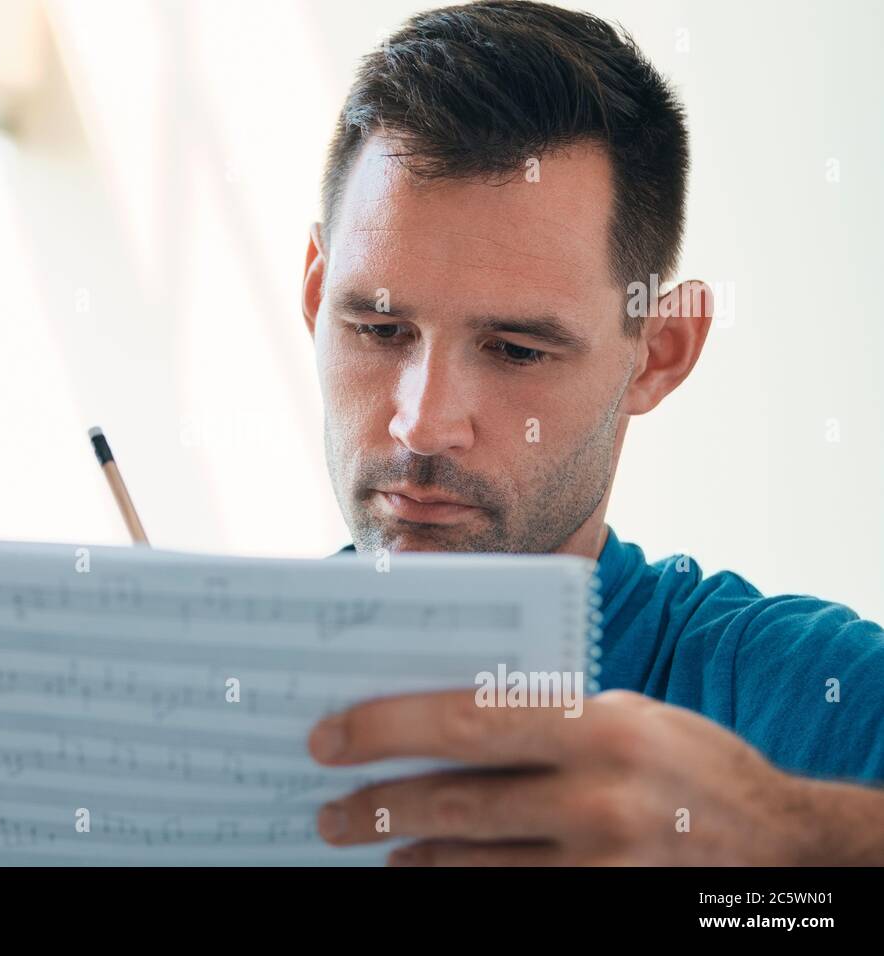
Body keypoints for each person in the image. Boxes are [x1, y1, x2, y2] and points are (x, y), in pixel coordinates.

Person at [300, 0, 884, 865]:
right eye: (380, 331)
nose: (422, 422)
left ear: (659, 354)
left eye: (516, 348)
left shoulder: (815, 698)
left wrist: (795, 843)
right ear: (315, 297)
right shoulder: (179, 697)